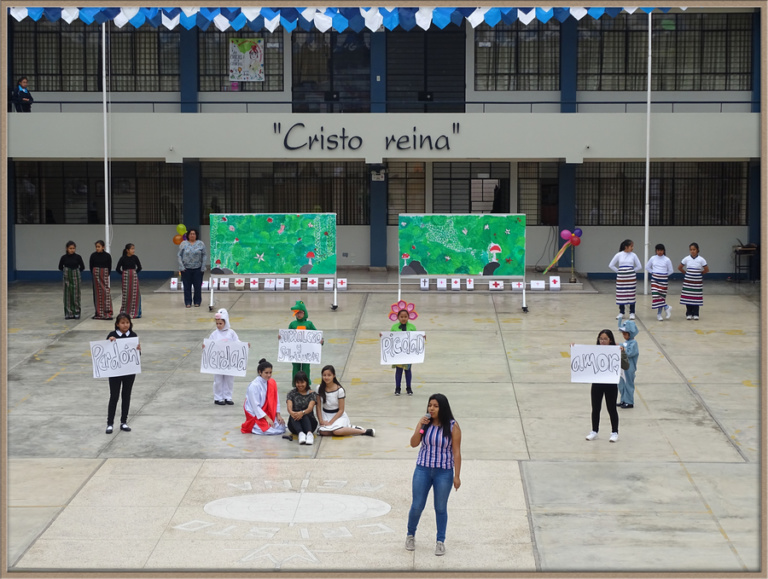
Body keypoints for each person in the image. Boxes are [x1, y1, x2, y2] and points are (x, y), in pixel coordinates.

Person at [405, 393, 462, 556]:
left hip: (443, 472)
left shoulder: (453, 426)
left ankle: (440, 541)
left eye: (435, 406)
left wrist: (457, 476)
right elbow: (414, 443)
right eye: (430, 405)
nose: (431, 408)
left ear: (442, 408)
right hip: (423, 469)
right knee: (417, 505)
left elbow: (456, 452)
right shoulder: (425, 423)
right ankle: (410, 535)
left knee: (440, 507)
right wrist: (419, 426)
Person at [584, 329, 628, 443]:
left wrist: (622, 353)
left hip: (611, 384)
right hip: (597, 383)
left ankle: (614, 432)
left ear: (610, 340)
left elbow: (626, 366)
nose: (602, 341)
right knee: (595, 408)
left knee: (611, 408)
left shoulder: (617, 351)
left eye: (605, 339)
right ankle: (594, 431)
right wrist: (574, 349)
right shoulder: (594, 351)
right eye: (601, 339)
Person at [105, 313, 141, 433]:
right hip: (115, 372)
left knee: (126, 395)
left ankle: (123, 421)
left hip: (129, 372)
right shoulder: (112, 335)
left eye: (127, 322)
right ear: (117, 324)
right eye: (122, 323)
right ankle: (110, 423)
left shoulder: (133, 336)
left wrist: (138, 351)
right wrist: (109, 342)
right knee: (114, 396)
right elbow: (106, 352)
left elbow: (136, 357)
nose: (125, 325)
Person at [316, 365, 375, 437]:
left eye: (329, 375)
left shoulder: (339, 390)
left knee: (337, 431)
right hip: (325, 414)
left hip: (338, 415)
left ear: (334, 376)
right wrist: (321, 420)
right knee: (323, 432)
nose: (326, 377)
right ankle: (347, 429)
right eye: (324, 375)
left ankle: (363, 431)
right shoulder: (319, 388)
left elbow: (341, 409)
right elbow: (318, 406)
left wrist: (331, 422)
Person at [204, 308, 245, 405]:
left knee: (229, 380)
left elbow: (237, 342)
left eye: (220, 324)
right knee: (218, 380)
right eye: (217, 324)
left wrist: (244, 345)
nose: (218, 325)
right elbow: (210, 344)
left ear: (225, 322)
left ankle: (228, 396)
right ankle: (218, 397)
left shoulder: (231, 333)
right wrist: (205, 346)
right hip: (218, 361)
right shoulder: (214, 334)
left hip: (229, 360)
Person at [282, 300, 323, 384]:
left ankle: (306, 383)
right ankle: (296, 383)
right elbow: (288, 337)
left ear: (305, 313)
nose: (299, 315)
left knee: (306, 368)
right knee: (295, 367)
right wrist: (281, 337)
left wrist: (321, 340)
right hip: (295, 351)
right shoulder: (292, 324)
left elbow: (316, 335)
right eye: (297, 313)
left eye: (300, 312)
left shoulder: (309, 324)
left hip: (306, 352)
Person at [241, 358, 286, 435]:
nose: (269, 375)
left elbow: (276, 400)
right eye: (266, 373)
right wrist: (267, 418)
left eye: (270, 372)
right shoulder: (254, 385)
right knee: (268, 430)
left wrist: (278, 415)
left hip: (268, 411)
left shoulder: (272, 382)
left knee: (281, 426)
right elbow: (255, 406)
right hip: (256, 413)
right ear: (260, 372)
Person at [385, 300, 419, 396]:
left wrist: (421, 337)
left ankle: (409, 387)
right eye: (401, 317)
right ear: (398, 317)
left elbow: (415, 338)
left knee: (408, 370)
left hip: (408, 352)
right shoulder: (394, 327)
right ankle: (397, 388)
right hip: (398, 353)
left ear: (408, 317)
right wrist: (383, 336)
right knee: (399, 371)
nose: (403, 318)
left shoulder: (412, 327)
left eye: (405, 317)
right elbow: (390, 338)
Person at [608, 239, 643, 320]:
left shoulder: (634, 255)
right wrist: (619, 271)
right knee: (621, 295)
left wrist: (632, 271)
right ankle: (621, 312)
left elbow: (639, 266)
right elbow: (611, 265)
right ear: (626, 246)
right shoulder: (619, 255)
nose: (632, 248)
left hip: (631, 278)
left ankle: (632, 312)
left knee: (631, 294)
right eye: (631, 246)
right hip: (621, 278)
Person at [678, 242, 709, 321]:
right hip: (688, 281)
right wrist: (686, 273)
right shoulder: (686, 258)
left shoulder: (701, 259)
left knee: (696, 297)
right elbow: (680, 267)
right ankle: (688, 313)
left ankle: (696, 313)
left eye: (694, 249)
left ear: (697, 250)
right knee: (688, 297)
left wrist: (700, 273)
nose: (692, 251)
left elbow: (706, 269)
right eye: (691, 250)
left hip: (697, 281)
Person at [286, 371, 318, 445]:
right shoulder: (291, 393)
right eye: (298, 382)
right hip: (294, 424)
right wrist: (292, 413)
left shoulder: (312, 394)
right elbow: (289, 407)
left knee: (303, 414)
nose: (300, 385)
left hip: (310, 423)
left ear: (306, 382)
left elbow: (310, 408)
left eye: (302, 382)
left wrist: (302, 413)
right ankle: (301, 434)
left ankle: (309, 434)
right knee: (295, 412)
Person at [178, 228, 206, 308]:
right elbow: (179, 255)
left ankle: (197, 302)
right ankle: (188, 302)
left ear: (196, 235)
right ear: (188, 235)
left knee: (197, 286)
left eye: (194, 234)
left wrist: (203, 266)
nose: (192, 235)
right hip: (186, 269)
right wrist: (181, 266)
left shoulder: (201, 244)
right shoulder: (183, 244)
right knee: (187, 286)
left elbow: (204, 255)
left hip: (198, 268)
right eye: (191, 234)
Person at [646, 243, 674, 322]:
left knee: (661, 297)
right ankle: (667, 307)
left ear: (664, 251)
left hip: (663, 280)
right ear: (656, 251)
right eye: (658, 250)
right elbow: (647, 267)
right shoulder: (653, 258)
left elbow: (671, 270)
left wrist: (664, 275)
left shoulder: (667, 259)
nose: (660, 252)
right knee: (655, 296)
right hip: (655, 280)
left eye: (661, 250)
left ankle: (659, 314)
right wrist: (653, 273)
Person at [58, 240, 85, 319]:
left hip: (75, 276)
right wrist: (67, 272)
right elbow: (60, 267)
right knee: (67, 295)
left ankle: (76, 312)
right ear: (67, 249)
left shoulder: (78, 257)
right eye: (70, 248)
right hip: (67, 277)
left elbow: (82, 267)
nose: (72, 250)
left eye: (73, 248)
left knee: (76, 294)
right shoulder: (63, 257)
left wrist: (76, 272)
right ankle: (68, 313)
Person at [617, 319, 639, 408]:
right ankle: (623, 400)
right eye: (623, 334)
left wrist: (623, 349)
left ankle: (629, 401)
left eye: (625, 334)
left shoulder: (633, 343)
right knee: (621, 383)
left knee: (628, 384)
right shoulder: (625, 343)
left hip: (629, 368)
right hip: (622, 367)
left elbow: (630, 353)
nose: (624, 335)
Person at [115, 243, 142, 318]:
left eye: (134, 248)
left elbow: (139, 267)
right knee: (126, 294)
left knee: (135, 294)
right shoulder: (123, 258)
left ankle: (136, 311)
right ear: (127, 250)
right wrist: (124, 274)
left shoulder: (135, 257)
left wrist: (134, 273)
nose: (133, 250)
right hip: (125, 278)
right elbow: (117, 269)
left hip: (134, 277)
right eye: (132, 249)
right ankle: (125, 311)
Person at [89, 240, 113, 320]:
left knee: (106, 292)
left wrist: (105, 274)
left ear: (103, 247)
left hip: (104, 274)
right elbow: (91, 266)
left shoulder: (107, 256)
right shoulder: (93, 255)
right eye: (96, 247)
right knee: (97, 294)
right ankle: (98, 313)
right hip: (96, 275)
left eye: (99, 247)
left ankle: (107, 312)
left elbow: (109, 266)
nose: (97, 248)